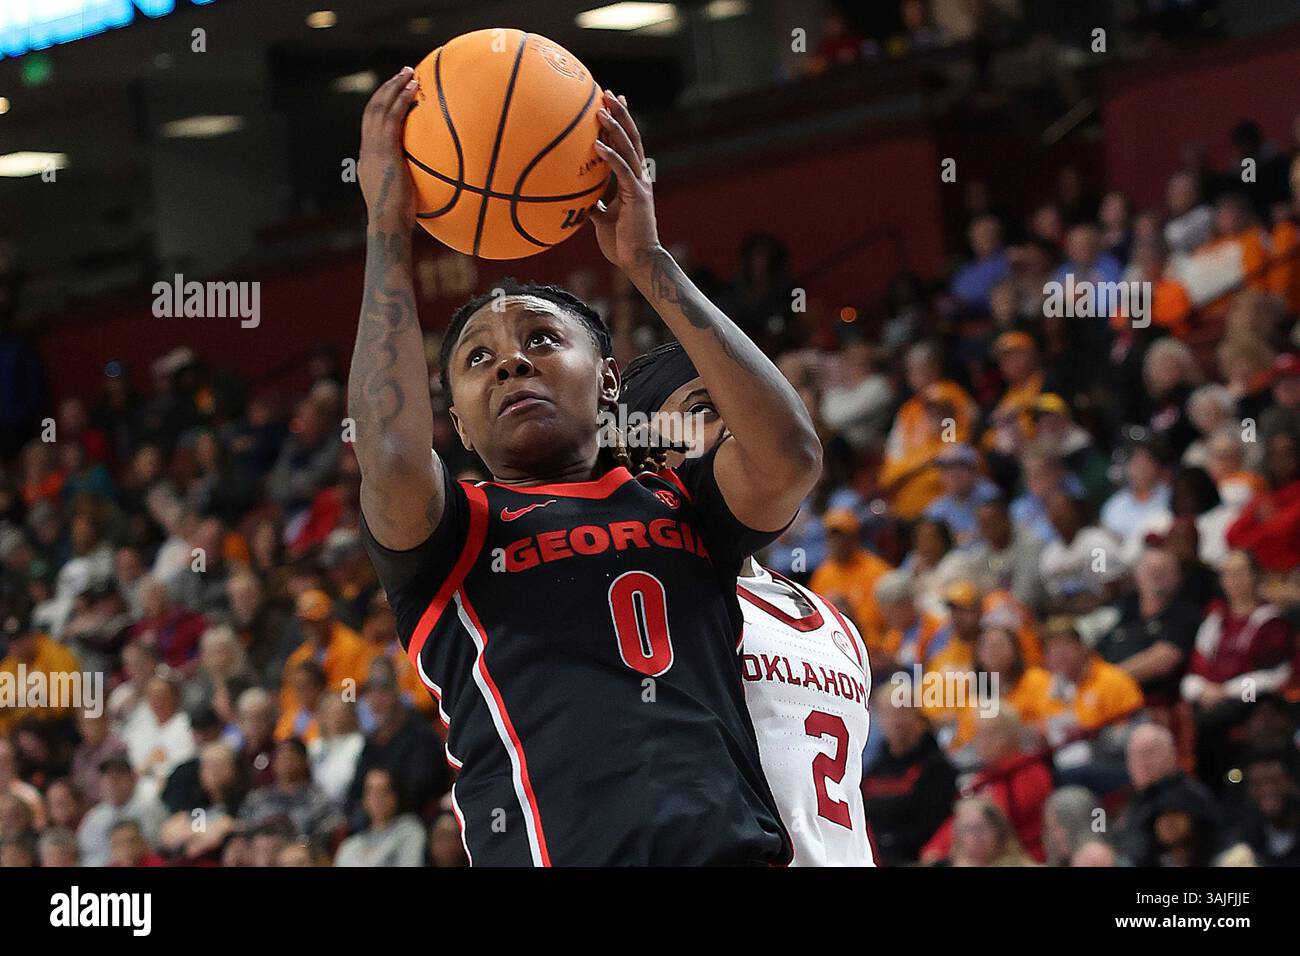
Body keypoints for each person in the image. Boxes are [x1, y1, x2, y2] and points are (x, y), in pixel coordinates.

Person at [351, 71, 815, 866]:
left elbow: (790, 455)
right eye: (477, 359)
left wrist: (648, 261)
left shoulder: (681, 501)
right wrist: (387, 232)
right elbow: (390, 455)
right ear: (455, 419)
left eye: (540, 340)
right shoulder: (455, 533)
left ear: (607, 379)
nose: (510, 365)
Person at [621, 340, 874, 865]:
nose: (739, 424)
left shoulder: (836, 623)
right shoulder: (643, 598)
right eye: (705, 410)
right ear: (643, 451)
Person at [860, 689, 957, 866]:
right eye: (888, 714)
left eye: (902, 711)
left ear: (917, 714)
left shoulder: (938, 768)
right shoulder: (873, 771)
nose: (896, 721)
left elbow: (937, 826)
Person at [334, 768, 426, 867]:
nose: (377, 798)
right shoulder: (349, 846)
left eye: (383, 791)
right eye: (370, 791)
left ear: (394, 797)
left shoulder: (409, 831)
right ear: (364, 800)